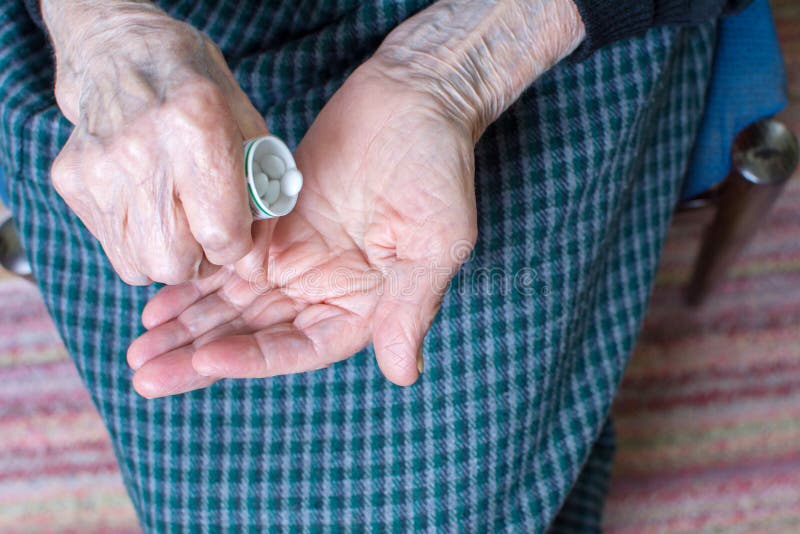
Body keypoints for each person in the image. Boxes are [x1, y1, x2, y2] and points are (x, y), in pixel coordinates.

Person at [2, 0, 746, 530]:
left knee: (443, 497)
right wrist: (99, 29)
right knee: (205, 485)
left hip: (520, 32)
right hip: (135, 64)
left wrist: (447, 72)